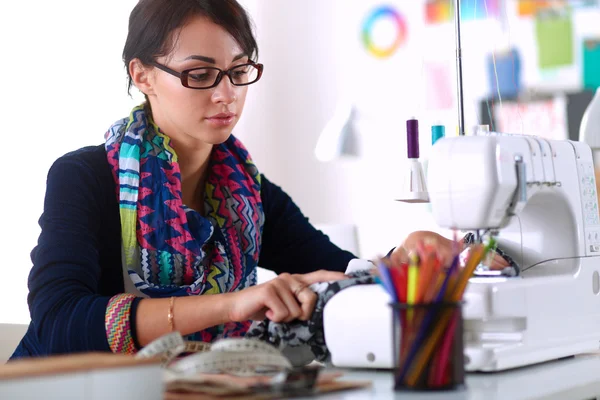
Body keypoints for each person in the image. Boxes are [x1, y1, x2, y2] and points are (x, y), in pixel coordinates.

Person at [10, 0, 507, 359]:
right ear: (141, 74)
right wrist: (230, 304)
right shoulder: (85, 177)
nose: (227, 94)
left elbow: (335, 270)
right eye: (200, 74)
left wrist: (407, 260)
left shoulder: (244, 192)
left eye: (238, 70)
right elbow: (59, 322)